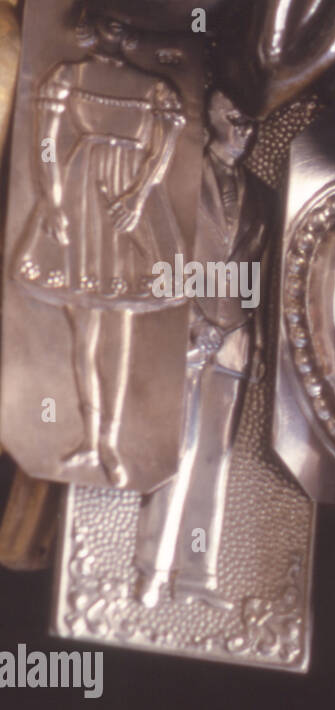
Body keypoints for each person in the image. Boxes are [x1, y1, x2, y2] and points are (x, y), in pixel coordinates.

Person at [15, 7, 187, 486]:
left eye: (125, 18)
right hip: (79, 191)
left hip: (127, 200)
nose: (116, 26)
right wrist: (51, 201)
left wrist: (137, 196)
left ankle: (111, 442)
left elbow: (164, 146)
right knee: (84, 331)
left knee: (121, 329)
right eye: (107, 16)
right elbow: (45, 143)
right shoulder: (66, 76)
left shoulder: (156, 89)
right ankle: (90, 438)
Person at [132, 89, 265, 609]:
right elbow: (152, 247)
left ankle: (195, 578)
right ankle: (150, 570)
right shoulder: (176, 172)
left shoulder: (263, 195)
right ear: (209, 116)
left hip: (235, 343)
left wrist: (247, 333)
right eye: (234, 117)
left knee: (217, 457)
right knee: (176, 453)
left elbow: (256, 271)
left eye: (250, 121)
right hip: (183, 337)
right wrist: (189, 320)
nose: (244, 129)